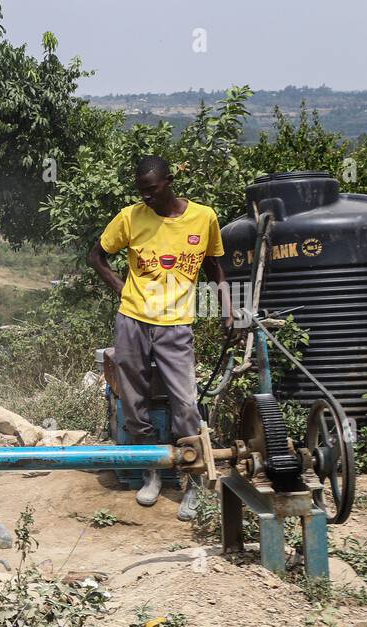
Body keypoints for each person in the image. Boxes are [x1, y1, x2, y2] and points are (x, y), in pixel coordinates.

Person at [88, 155, 231, 520]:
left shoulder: (204, 217)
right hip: (133, 320)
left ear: (169, 182)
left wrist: (227, 308)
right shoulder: (130, 217)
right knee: (133, 400)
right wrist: (121, 288)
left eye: (151, 190)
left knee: (185, 402)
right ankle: (151, 472)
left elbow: (215, 265)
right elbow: (97, 256)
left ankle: (194, 481)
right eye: (141, 192)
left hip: (176, 323)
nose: (146, 198)